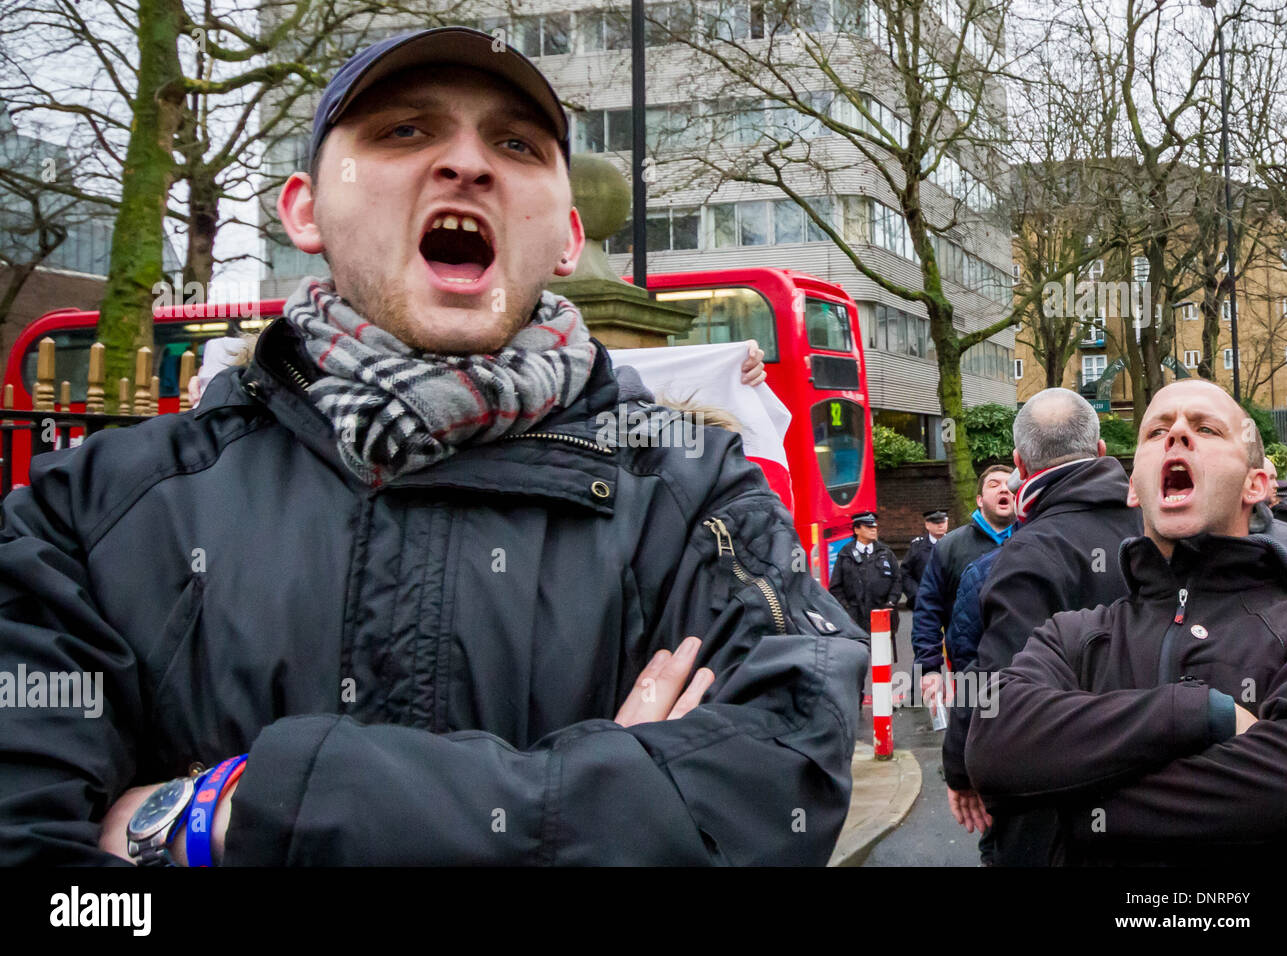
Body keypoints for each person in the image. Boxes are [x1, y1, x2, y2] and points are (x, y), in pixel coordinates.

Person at [0, 27, 870, 867]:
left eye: (518, 145)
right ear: (304, 210)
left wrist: (229, 811)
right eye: (404, 130)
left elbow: (781, 777)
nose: (467, 163)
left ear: (569, 237)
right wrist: (616, 794)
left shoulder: (694, 498)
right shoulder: (94, 513)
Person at [966, 379, 1287, 865]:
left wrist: (1061, 804)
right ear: (1132, 488)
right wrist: (1201, 713)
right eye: (1156, 431)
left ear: (1257, 485)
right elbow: (994, 745)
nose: (1178, 434)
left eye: (1206, 429)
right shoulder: (1072, 635)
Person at [942, 388, 1142, 865]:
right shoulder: (1153, 524)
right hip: (1157, 792)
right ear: (1099, 451)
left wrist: (958, 769)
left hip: (1054, 808)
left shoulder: (1027, 554)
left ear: (1020, 464)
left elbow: (995, 680)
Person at [910, 466, 1015, 708]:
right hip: (970, 671)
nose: (1004, 489)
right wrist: (929, 667)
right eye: (994, 484)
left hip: (1024, 666)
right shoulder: (950, 547)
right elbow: (928, 609)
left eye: (1009, 485)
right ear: (979, 500)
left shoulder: (1034, 538)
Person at [828, 512, 902, 655]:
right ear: (856, 530)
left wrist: (891, 601)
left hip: (882, 613)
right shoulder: (845, 554)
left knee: (881, 659)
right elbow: (835, 587)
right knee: (858, 656)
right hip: (856, 617)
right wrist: (848, 608)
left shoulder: (885, 552)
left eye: (874, 526)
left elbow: (897, 580)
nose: (873, 529)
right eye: (868, 527)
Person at [900, 509, 948, 607]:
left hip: (951, 603)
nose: (940, 525)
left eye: (943, 522)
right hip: (925, 603)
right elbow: (905, 573)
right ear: (927, 525)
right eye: (936, 522)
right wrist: (917, 594)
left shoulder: (956, 544)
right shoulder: (917, 547)